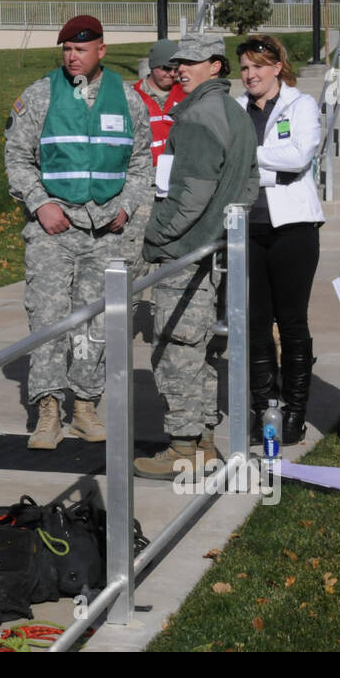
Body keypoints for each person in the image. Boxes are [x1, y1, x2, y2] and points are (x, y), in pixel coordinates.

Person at [4, 15, 153, 449]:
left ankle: (85, 407)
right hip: (55, 228)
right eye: (67, 49)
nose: (72, 57)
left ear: (101, 51)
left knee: (97, 323)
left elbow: (142, 162)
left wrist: (127, 207)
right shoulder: (39, 96)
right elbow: (17, 158)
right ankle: (48, 410)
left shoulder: (128, 99)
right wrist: (40, 204)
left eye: (81, 50)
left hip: (107, 230)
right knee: (47, 318)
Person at [134, 33, 258, 480]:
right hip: (211, 247)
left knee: (177, 348)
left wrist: (155, 236)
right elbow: (249, 184)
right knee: (200, 347)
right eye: (177, 62)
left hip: (184, 251)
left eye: (191, 62)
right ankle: (203, 442)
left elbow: (189, 195)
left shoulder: (199, 116)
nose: (179, 69)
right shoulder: (233, 113)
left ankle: (183, 446)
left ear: (216, 67)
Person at [235, 34, 323, 446]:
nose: (250, 75)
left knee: (291, 322)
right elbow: (233, 160)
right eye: (245, 68)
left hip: (293, 229)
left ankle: (294, 412)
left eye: (257, 66)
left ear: (276, 67)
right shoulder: (236, 110)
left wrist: (249, 156)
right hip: (246, 229)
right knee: (254, 324)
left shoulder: (301, 105)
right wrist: (271, 160)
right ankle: (263, 409)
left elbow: (299, 158)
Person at [130, 39, 186, 166]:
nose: (172, 74)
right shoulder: (132, 96)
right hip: (143, 175)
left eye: (176, 70)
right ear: (153, 66)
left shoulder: (186, 94)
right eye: (166, 68)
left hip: (176, 173)